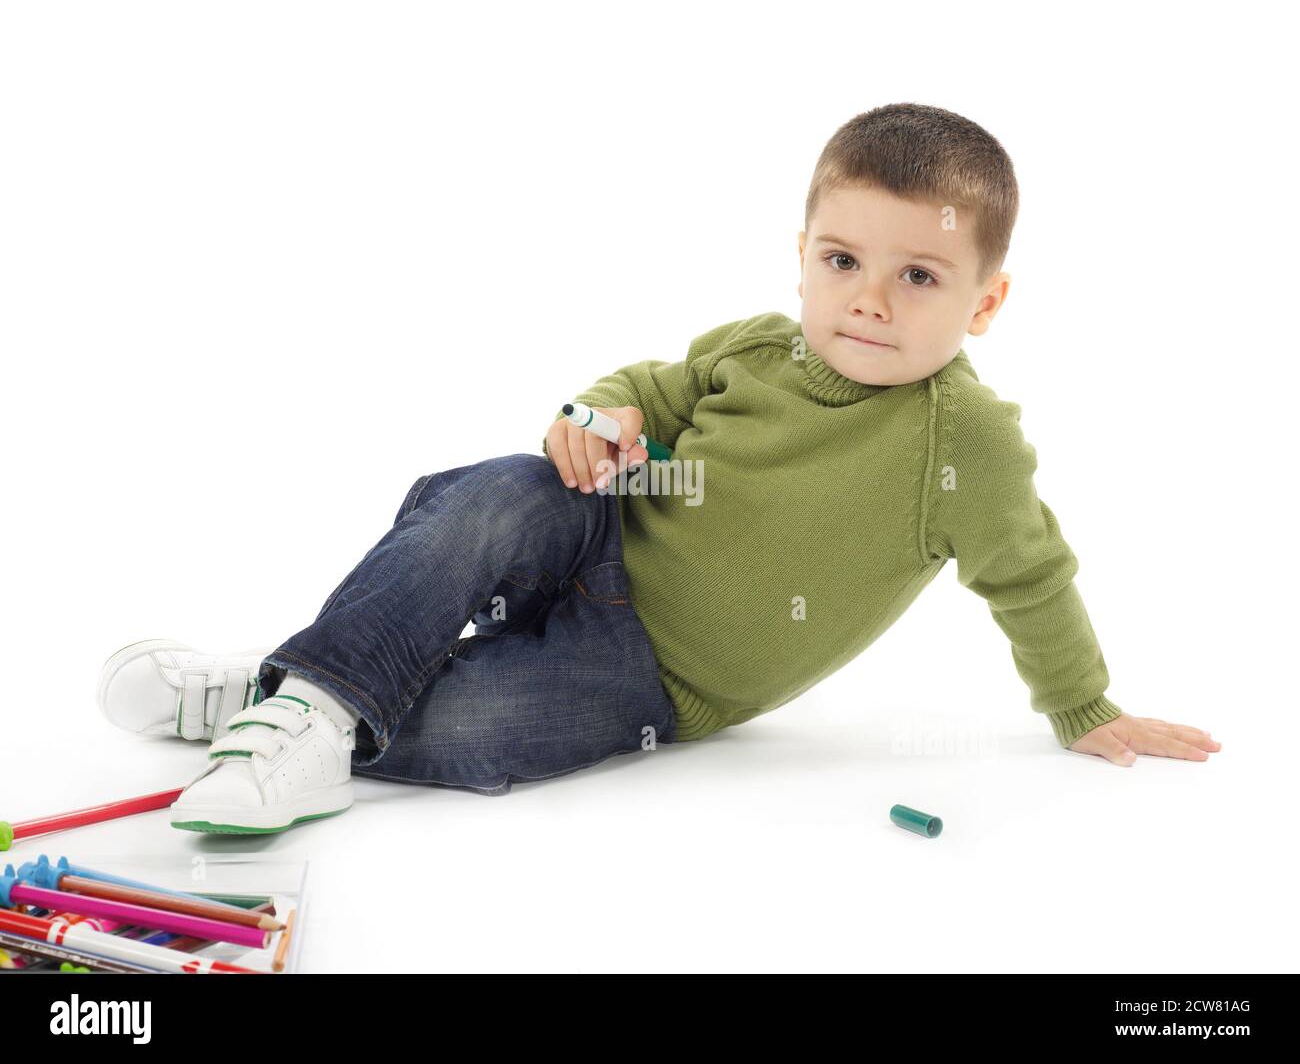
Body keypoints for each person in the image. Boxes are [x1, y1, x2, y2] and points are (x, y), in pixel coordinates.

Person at [97, 102, 1220, 835]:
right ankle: (314, 702)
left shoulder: (957, 437)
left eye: (919, 276)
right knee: (487, 498)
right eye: (843, 260)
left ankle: (274, 697)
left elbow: (1029, 571)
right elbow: (649, 387)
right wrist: (595, 415)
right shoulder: (756, 343)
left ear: (986, 301)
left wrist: (1080, 705)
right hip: (603, 528)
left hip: (655, 677)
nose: (869, 298)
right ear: (802, 259)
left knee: (478, 729)